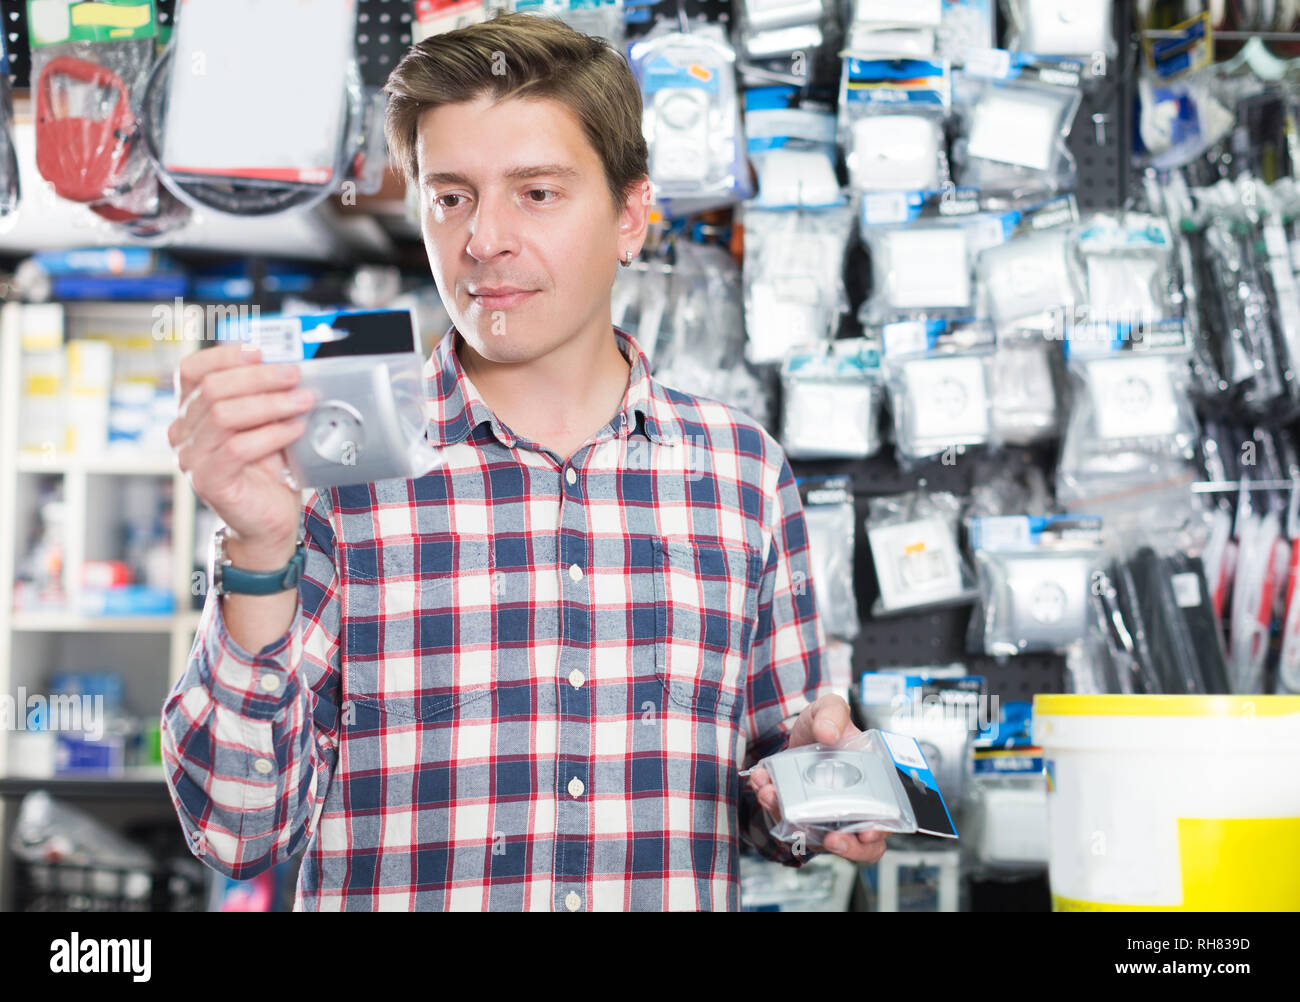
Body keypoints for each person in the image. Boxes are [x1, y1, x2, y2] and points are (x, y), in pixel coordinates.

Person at [161, 9, 886, 912]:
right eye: (451, 195)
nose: (484, 239)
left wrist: (822, 787)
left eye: (536, 193)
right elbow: (237, 829)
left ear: (631, 215)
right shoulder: (331, 470)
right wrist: (258, 548)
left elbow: (768, 809)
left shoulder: (742, 472)